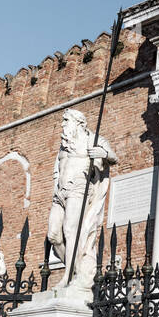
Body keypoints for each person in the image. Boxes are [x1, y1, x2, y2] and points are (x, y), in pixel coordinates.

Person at [48, 109, 117, 291]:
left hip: (79, 189)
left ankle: (68, 276)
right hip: (60, 193)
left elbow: (113, 156)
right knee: (53, 235)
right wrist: (56, 184)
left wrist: (102, 153)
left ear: (79, 123)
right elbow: (57, 168)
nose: (63, 124)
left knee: (71, 231)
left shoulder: (92, 139)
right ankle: (78, 269)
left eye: (66, 120)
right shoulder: (64, 145)